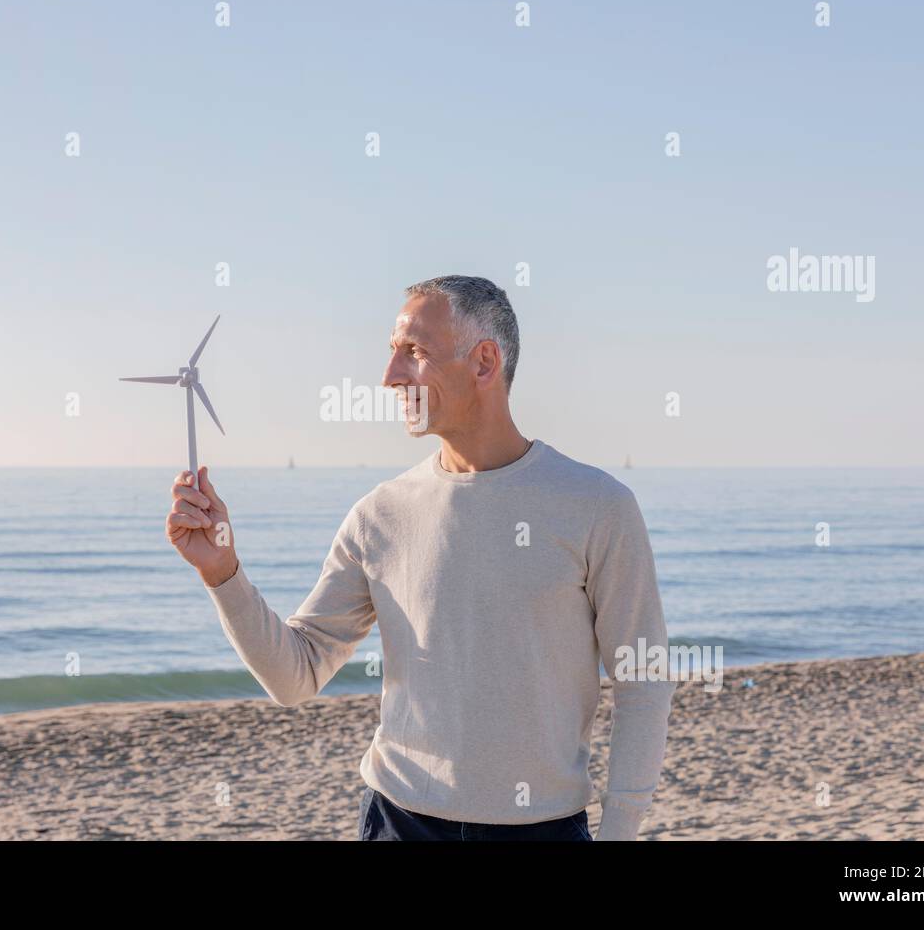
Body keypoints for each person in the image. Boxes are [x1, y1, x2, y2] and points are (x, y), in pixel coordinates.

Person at [166, 275, 675, 841]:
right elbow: (296, 675)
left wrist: (621, 829)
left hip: (541, 829)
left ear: (484, 362)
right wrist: (221, 571)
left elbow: (644, 679)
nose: (389, 376)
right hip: (398, 823)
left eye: (413, 352)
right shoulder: (379, 514)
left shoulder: (598, 506)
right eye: (391, 353)